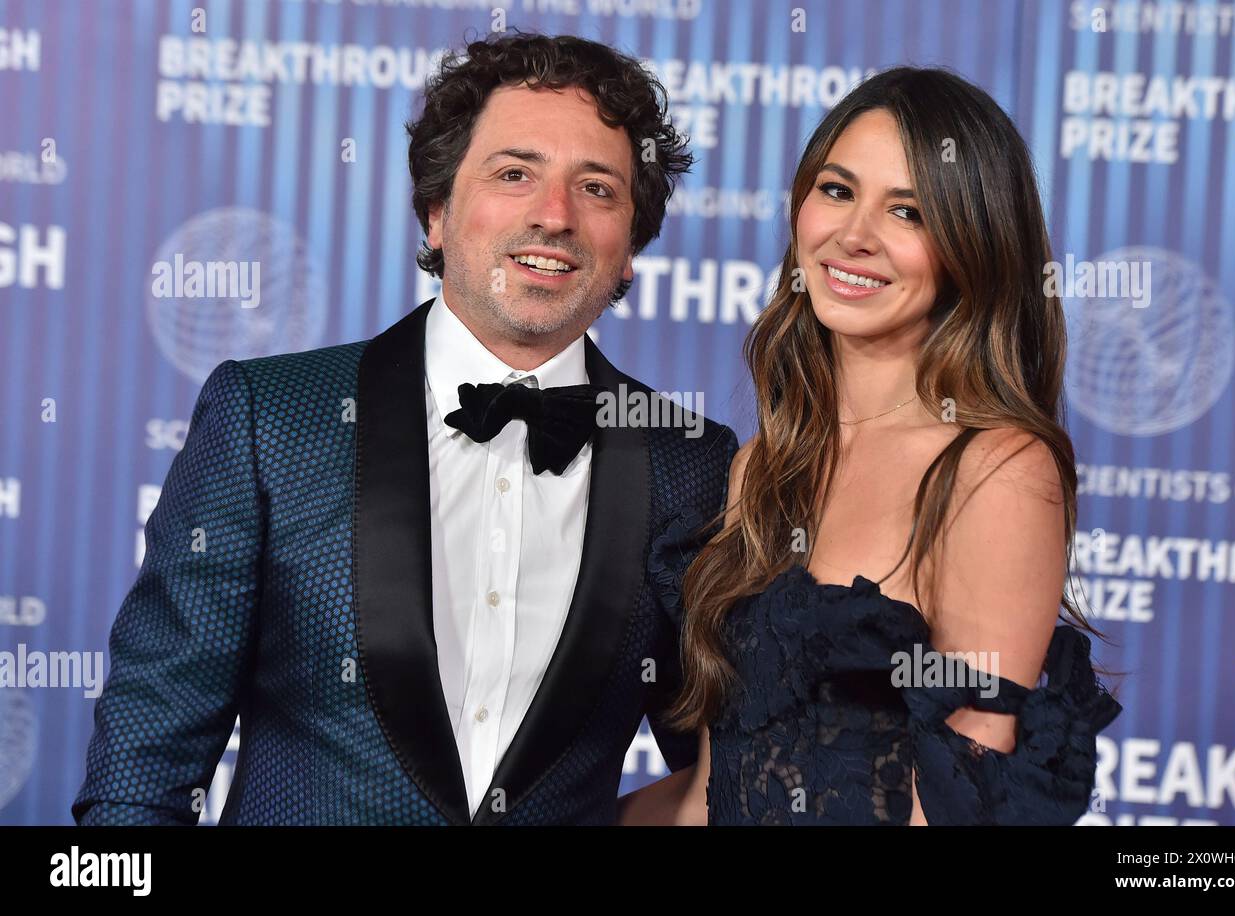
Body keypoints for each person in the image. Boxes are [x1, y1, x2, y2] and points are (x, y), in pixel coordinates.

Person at [73, 32, 737, 826]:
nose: (553, 216)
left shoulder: (694, 462)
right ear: (436, 213)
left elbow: (726, 770)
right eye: (514, 173)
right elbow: (141, 773)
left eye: (597, 189)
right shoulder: (271, 418)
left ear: (629, 248)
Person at [618, 66, 1122, 826]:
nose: (854, 236)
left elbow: (963, 795)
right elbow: (713, 794)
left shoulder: (995, 468)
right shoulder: (764, 465)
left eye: (909, 211)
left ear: (973, 244)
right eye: (837, 190)